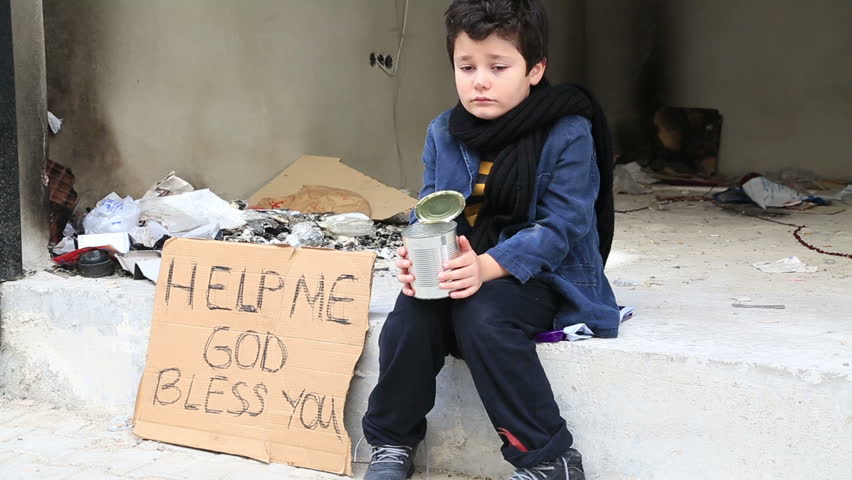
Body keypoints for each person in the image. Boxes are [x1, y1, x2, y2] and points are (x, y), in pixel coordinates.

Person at [361, 1, 619, 478]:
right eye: (467, 66)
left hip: (545, 272)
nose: (480, 80)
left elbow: (564, 225)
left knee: (484, 316)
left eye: (499, 67)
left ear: (535, 69)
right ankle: (392, 444)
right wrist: (416, 256)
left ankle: (550, 459)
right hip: (467, 262)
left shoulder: (567, 131)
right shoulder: (444, 130)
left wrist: (488, 266)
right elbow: (430, 210)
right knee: (410, 316)